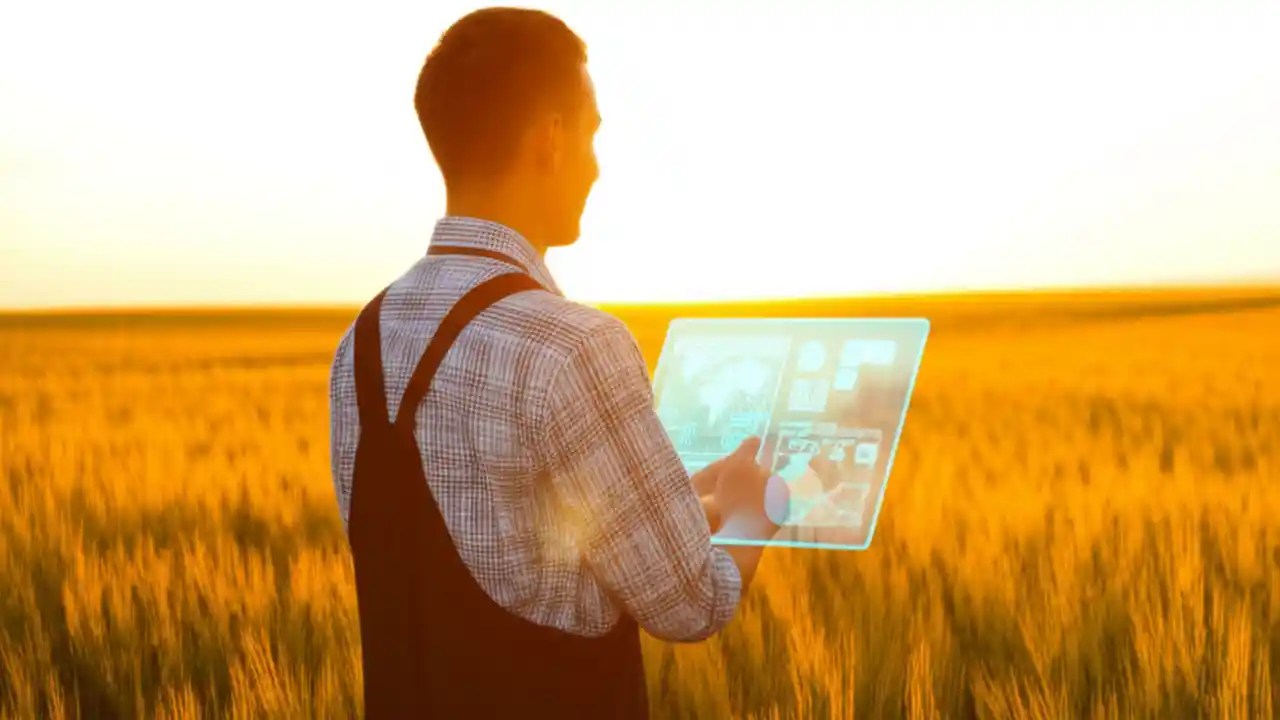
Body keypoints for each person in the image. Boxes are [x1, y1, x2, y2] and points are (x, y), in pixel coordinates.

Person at [327, 7, 784, 718]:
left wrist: (686, 499)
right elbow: (691, 602)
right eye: (593, 131)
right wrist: (754, 514)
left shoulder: (361, 342)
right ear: (552, 138)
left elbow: (506, 544)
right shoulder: (572, 346)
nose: (598, 165)